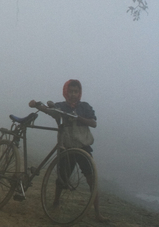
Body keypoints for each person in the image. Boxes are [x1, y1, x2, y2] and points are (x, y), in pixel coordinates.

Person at [32, 79, 108, 223]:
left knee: (92, 178)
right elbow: (50, 111)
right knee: (62, 178)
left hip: (83, 147)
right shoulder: (60, 106)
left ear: (79, 93)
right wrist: (36, 105)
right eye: (70, 91)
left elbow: (94, 123)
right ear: (65, 92)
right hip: (66, 147)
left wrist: (78, 118)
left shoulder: (85, 107)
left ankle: (98, 213)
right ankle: (56, 202)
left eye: (76, 91)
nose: (73, 94)